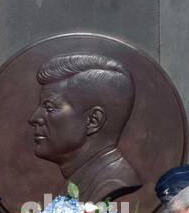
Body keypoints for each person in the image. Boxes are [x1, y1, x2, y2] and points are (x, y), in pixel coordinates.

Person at [28, 53, 142, 202]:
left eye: (49, 108)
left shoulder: (111, 184)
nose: (34, 118)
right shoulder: (80, 183)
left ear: (93, 120)